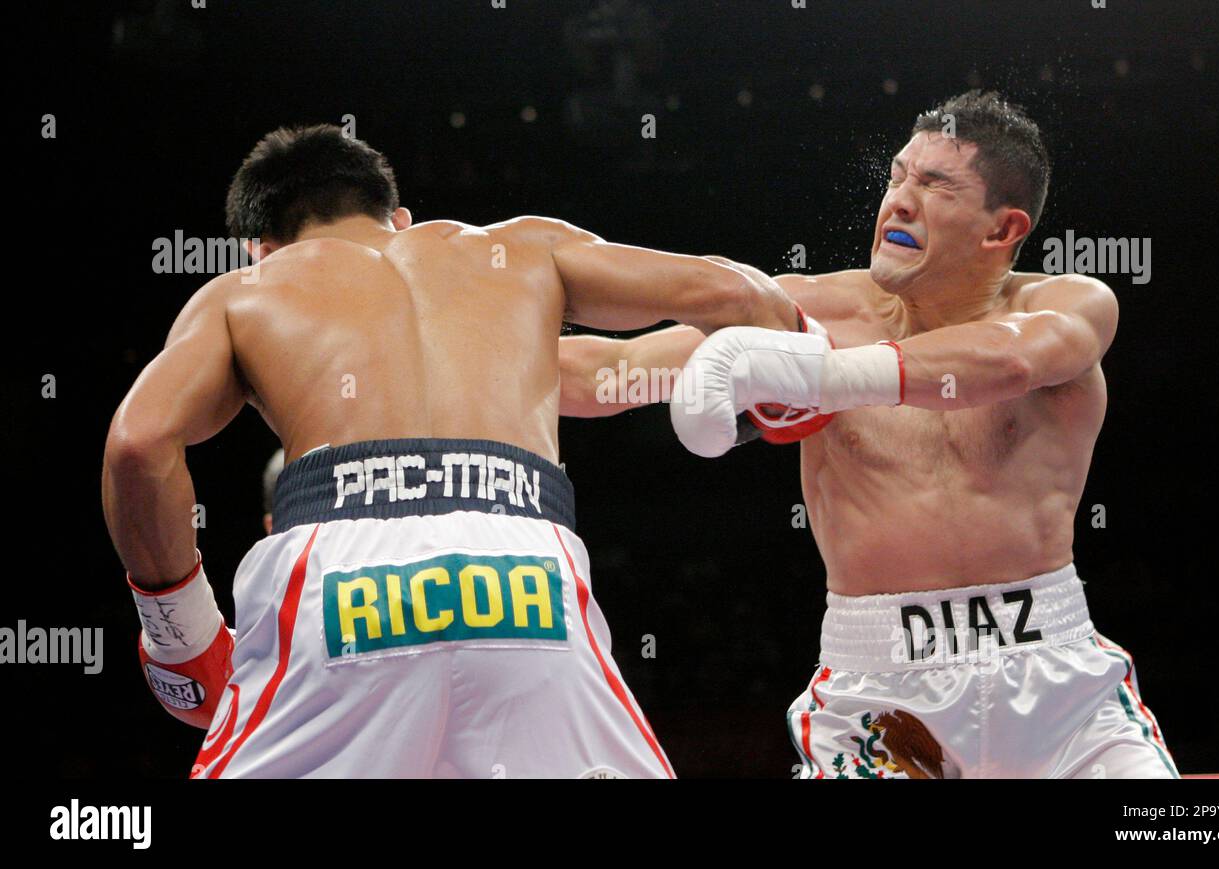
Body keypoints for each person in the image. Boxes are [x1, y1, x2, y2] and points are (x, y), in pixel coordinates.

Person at [102, 123, 803, 778]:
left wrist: (181, 635)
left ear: (261, 248)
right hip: (527, 575)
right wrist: (781, 394)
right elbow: (735, 293)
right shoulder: (526, 248)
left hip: (342, 580)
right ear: (399, 219)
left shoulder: (246, 291)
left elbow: (137, 444)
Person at [559, 91, 1177, 778]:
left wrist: (821, 377)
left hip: (1058, 689)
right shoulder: (807, 315)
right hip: (880, 699)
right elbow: (607, 373)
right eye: (897, 177)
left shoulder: (1068, 304)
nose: (900, 202)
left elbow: (1008, 361)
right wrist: (467, 338)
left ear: (1002, 230)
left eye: (935, 186)